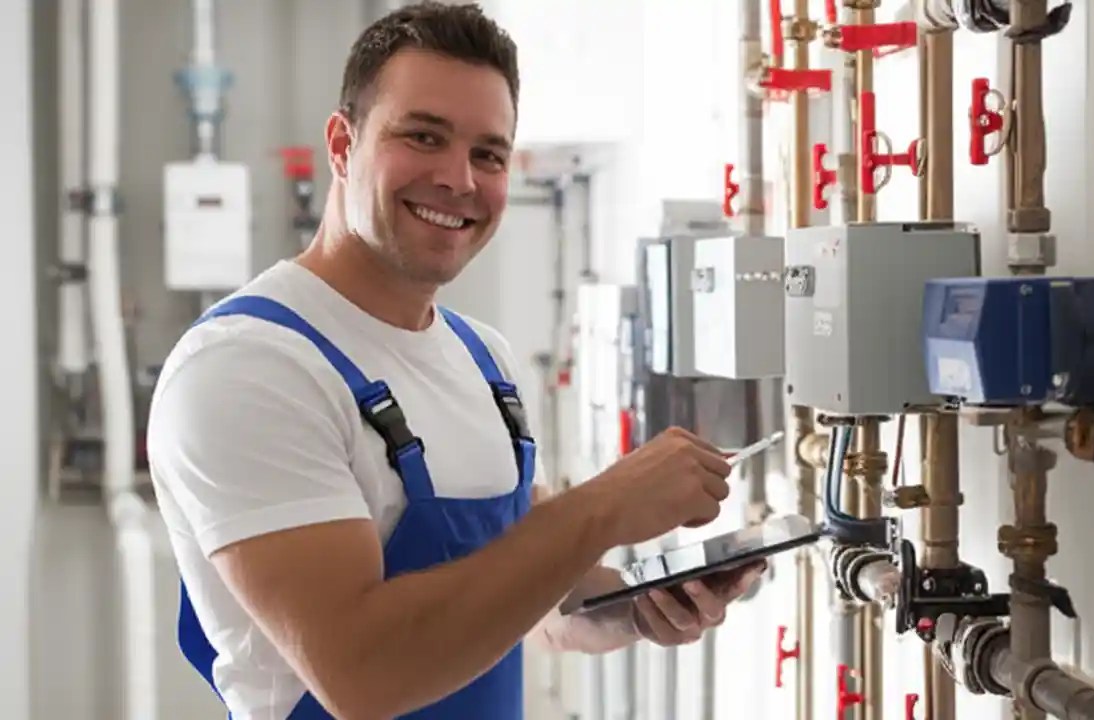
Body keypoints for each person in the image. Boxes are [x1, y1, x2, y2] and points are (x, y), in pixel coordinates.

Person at [146, 3, 765, 719]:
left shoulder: (483, 358)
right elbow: (361, 673)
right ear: (343, 144)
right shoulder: (248, 367)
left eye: (488, 154)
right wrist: (602, 507)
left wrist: (635, 605)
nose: (459, 179)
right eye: (423, 136)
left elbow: (540, 605)